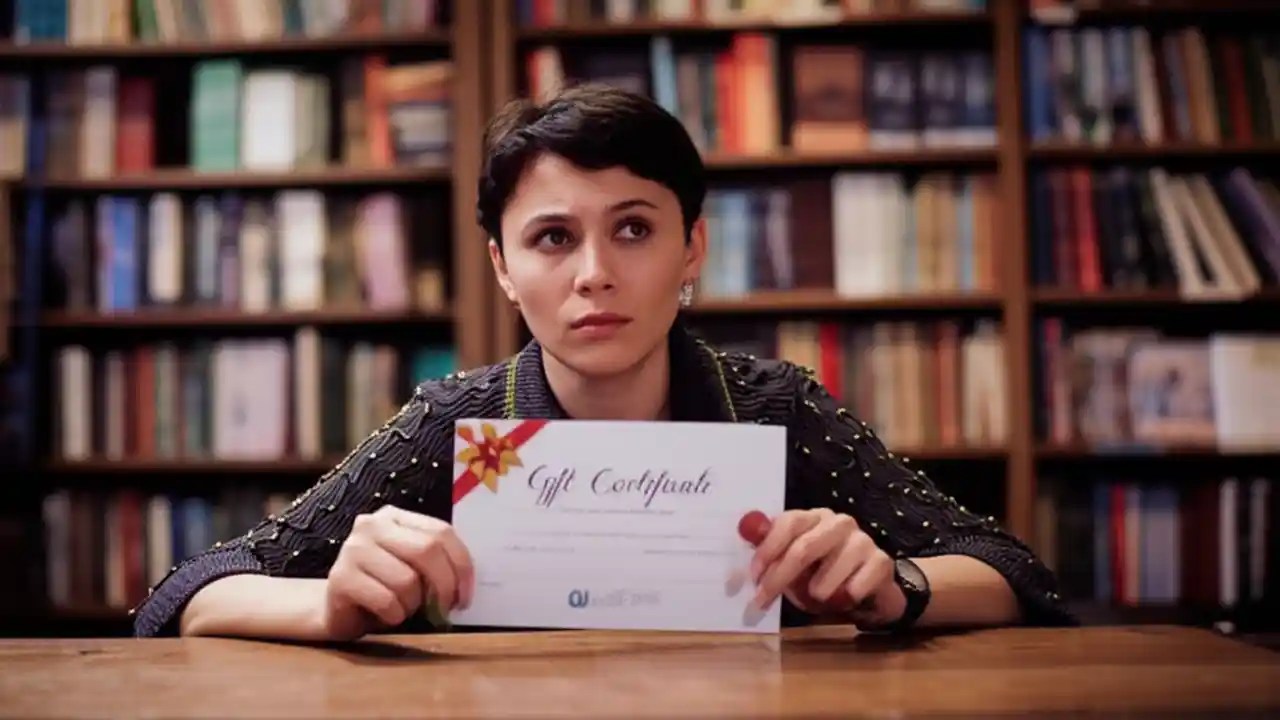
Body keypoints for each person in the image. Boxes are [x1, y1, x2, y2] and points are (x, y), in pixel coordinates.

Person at [132, 84, 1073, 641]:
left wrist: (894, 587)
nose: (594, 275)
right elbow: (185, 594)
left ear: (691, 249)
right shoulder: (454, 424)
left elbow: (1013, 571)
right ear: (503, 268)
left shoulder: (777, 410)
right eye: (551, 238)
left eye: (633, 229)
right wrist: (327, 608)